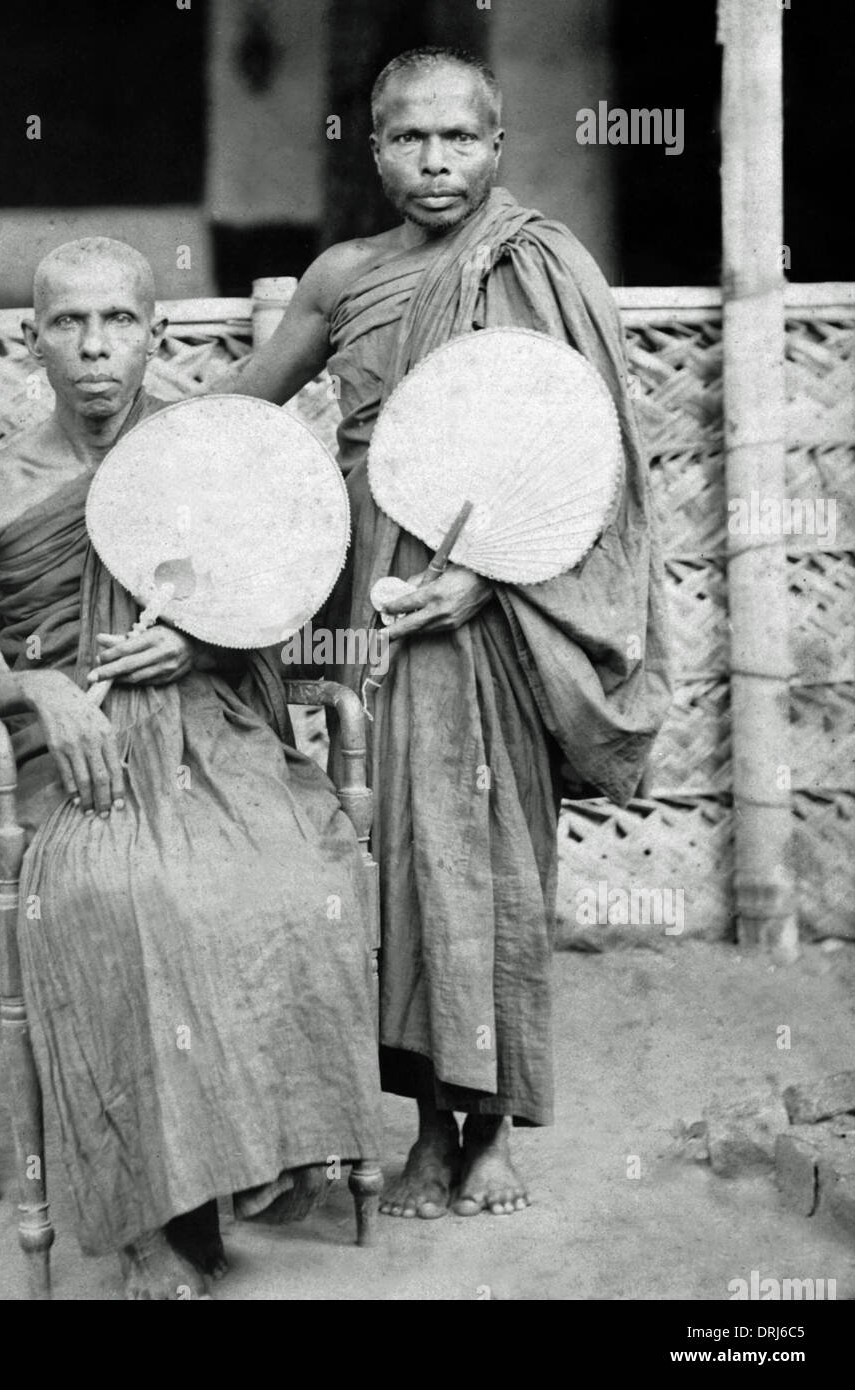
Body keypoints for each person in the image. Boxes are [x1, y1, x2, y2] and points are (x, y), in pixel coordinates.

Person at [215, 47, 672, 1220]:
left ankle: (495, 1131)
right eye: (408, 139)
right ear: (371, 150)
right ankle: (427, 1128)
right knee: (412, 870)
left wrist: (484, 573)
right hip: (383, 606)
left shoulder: (541, 265)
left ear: (495, 146)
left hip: (506, 606)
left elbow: (591, 458)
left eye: (456, 139)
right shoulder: (340, 277)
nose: (433, 161)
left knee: (501, 859)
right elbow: (237, 418)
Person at [0, 237, 381, 1298]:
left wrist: (201, 645)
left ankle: (263, 1157)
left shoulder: (197, 451)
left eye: (117, 320)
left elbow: (265, 603)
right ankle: (152, 1227)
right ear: (34, 341)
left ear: (154, 334)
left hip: (211, 727)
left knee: (301, 874)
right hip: (74, 755)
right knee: (117, 897)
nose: (94, 345)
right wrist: (39, 687)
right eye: (68, 323)